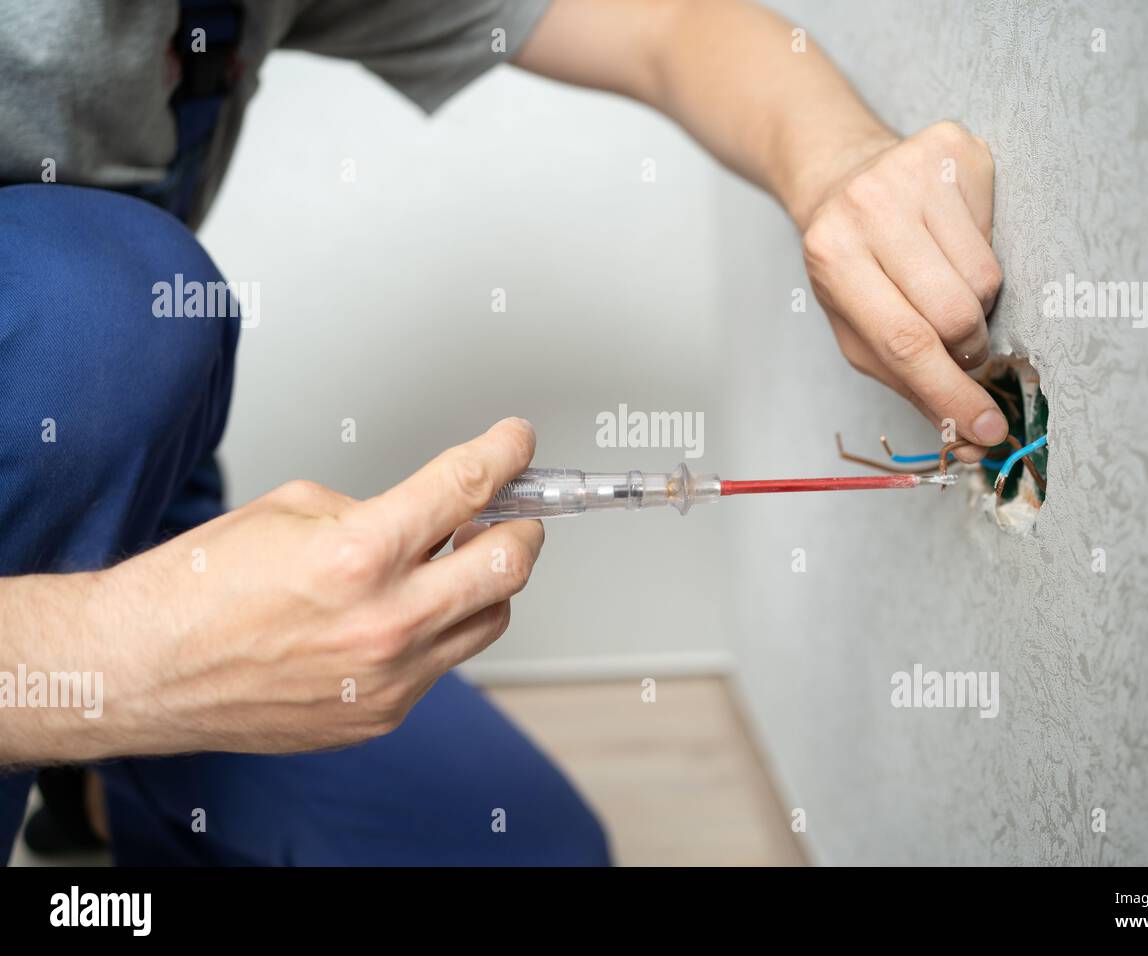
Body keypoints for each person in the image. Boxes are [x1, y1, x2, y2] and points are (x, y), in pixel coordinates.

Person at [0, 0, 1007, 865]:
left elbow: (664, 26)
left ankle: (94, 791)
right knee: (95, 319)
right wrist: (124, 665)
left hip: (116, 464)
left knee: (522, 851)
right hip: (70, 395)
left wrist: (839, 163)